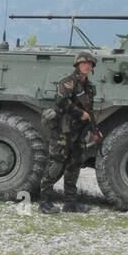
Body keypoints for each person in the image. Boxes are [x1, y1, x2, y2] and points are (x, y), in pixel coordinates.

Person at [38, 50, 102, 213]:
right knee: (56, 164)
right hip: (63, 131)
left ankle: (70, 203)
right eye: (83, 63)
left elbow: (89, 110)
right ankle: (44, 202)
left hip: (78, 132)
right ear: (77, 65)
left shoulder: (89, 86)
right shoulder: (68, 81)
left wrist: (95, 130)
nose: (86, 66)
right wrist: (80, 113)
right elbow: (61, 101)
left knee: (74, 166)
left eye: (89, 64)